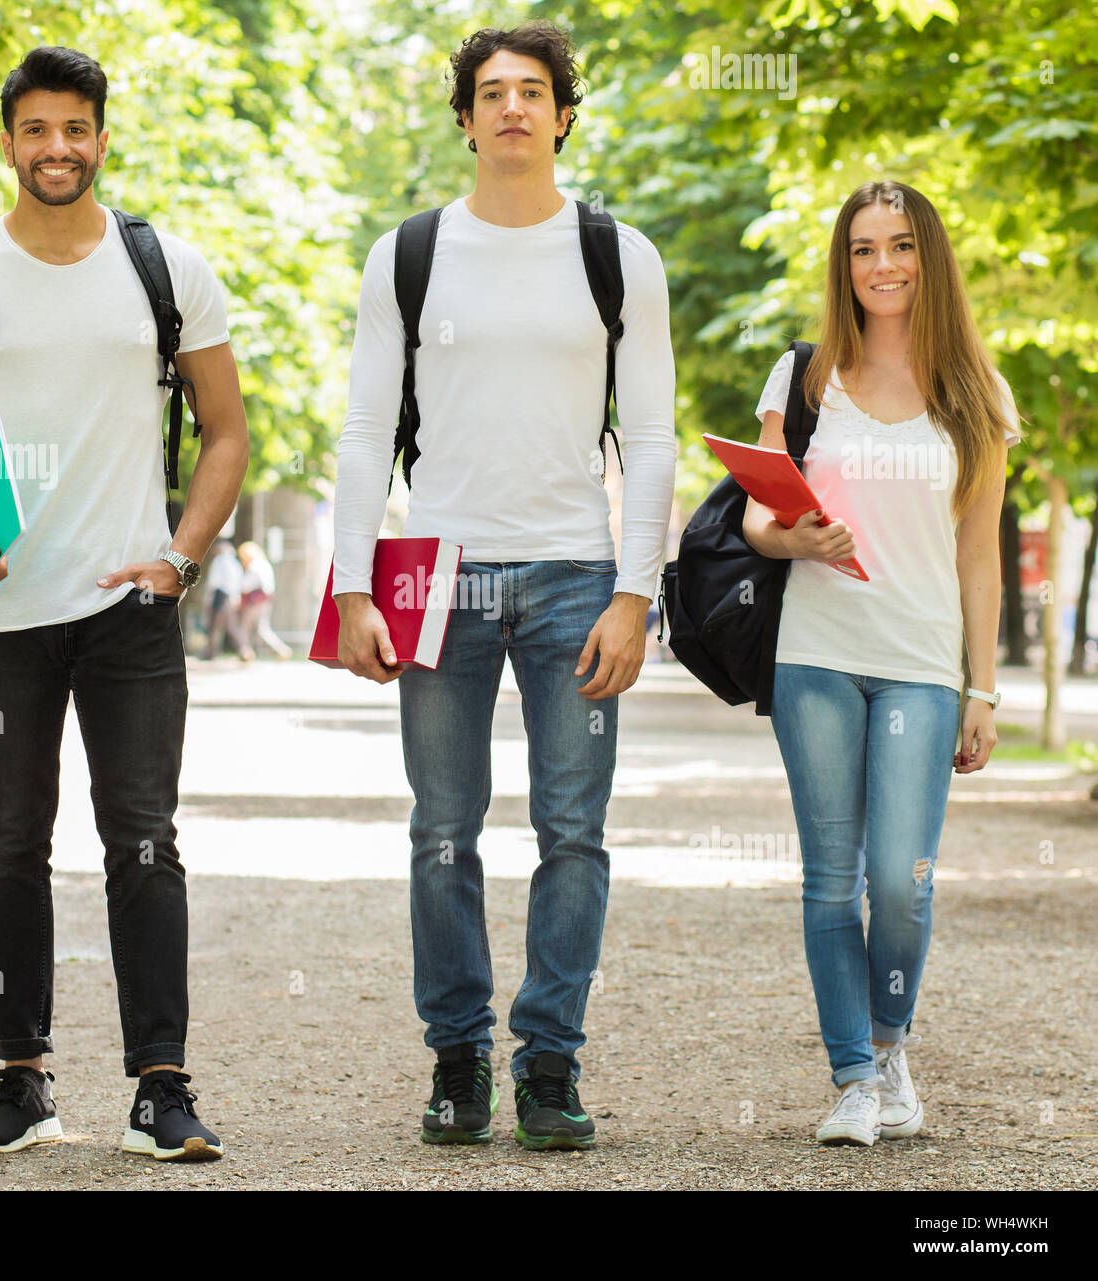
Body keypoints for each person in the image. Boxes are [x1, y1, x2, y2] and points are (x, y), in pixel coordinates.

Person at [0, 46, 250, 1161]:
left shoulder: (163, 268)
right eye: (36, 130)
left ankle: (161, 1089)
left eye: (75, 128)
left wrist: (179, 557)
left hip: (129, 607)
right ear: (9, 141)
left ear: (101, 135)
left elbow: (227, 433)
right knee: (9, 845)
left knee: (142, 841)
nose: (56, 149)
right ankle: (22, 1079)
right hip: (1, 619)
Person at [332, 22, 675, 1150]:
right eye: (493, 93)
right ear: (466, 117)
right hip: (439, 574)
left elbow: (655, 436)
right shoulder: (411, 252)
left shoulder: (617, 255)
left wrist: (637, 591)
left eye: (534, 91)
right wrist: (351, 587)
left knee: (573, 833)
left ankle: (550, 1065)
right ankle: (456, 1062)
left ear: (564, 115)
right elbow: (367, 427)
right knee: (443, 829)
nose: (514, 108)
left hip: (578, 575)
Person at [742, 180, 1020, 1146]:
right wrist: (796, 542)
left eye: (900, 245)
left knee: (901, 877)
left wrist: (982, 686)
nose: (883, 265)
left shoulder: (976, 393)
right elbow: (756, 514)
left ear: (928, 255)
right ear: (843, 264)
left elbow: (979, 552)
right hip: (815, 654)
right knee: (831, 879)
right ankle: (853, 1075)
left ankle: (892, 1043)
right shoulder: (807, 377)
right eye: (863, 249)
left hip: (919, 664)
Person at [236, 540, 291, 660]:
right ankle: (281, 649)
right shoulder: (265, 563)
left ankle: (246, 653)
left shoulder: (254, 565)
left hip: (254, 601)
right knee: (262, 629)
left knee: (245, 628)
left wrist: (241, 600)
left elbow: (246, 586)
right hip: (265, 600)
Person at [203, 538, 244, 660]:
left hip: (221, 596)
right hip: (232, 596)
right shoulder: (235, 563)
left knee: (216, 625)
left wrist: (208, 597)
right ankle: (244, 650)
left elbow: (213, 581)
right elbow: (239, 582)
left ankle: (211, 653)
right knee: (230, 626)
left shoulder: (219, 561)